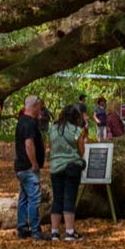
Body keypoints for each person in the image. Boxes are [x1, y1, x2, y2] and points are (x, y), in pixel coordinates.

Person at [46, 103, 88, 241]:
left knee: (57, 199)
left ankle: (54, 232)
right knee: (69, 198)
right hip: (71, 167)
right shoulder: (77, 131)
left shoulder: (53, 130)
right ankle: (70, 232)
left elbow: (50, 147)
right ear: (76, 117)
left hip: (55, 167)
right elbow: (82, 151)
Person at [14, 95, 50, 240]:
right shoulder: (29, 123)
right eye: (39, 106)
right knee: (34, 198)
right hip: (28, 167)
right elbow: (29, 144)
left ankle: (22, 227)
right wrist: (34, 163)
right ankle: (35, 230)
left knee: (23, 198)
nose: (40, 109)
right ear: (34, 106)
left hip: (20, 166)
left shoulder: (21, 121)